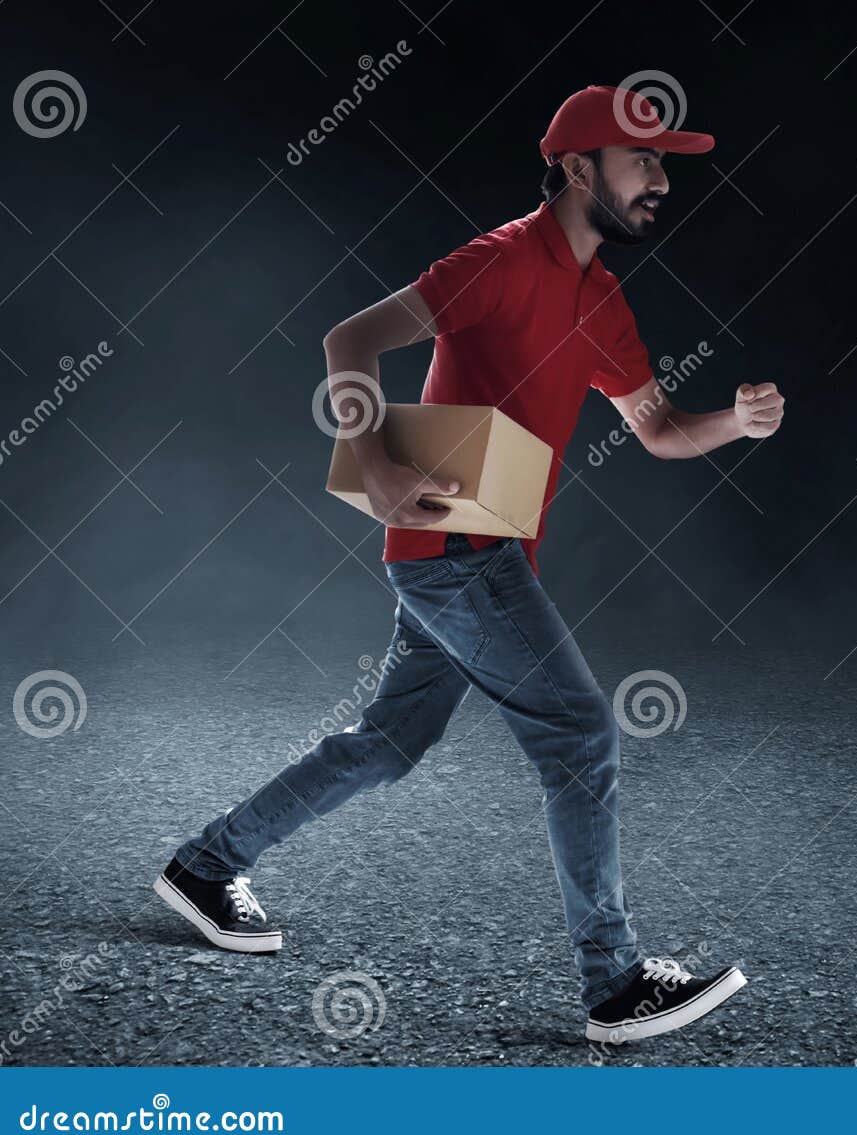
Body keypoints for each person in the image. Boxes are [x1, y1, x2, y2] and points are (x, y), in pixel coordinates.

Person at [154, 84, 784, 1044]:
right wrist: (376, 463)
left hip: (475, 548)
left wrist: (733, 423)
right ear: (578, 167)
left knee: (389, 742)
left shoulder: (603, 297)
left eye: (665, 163)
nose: (661, 180)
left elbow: (656, 428)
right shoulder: (497, 261)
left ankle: (204, 866)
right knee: (580, 737)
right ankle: (614, 986)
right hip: (457, 548)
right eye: (642, 159)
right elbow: (350, 340)